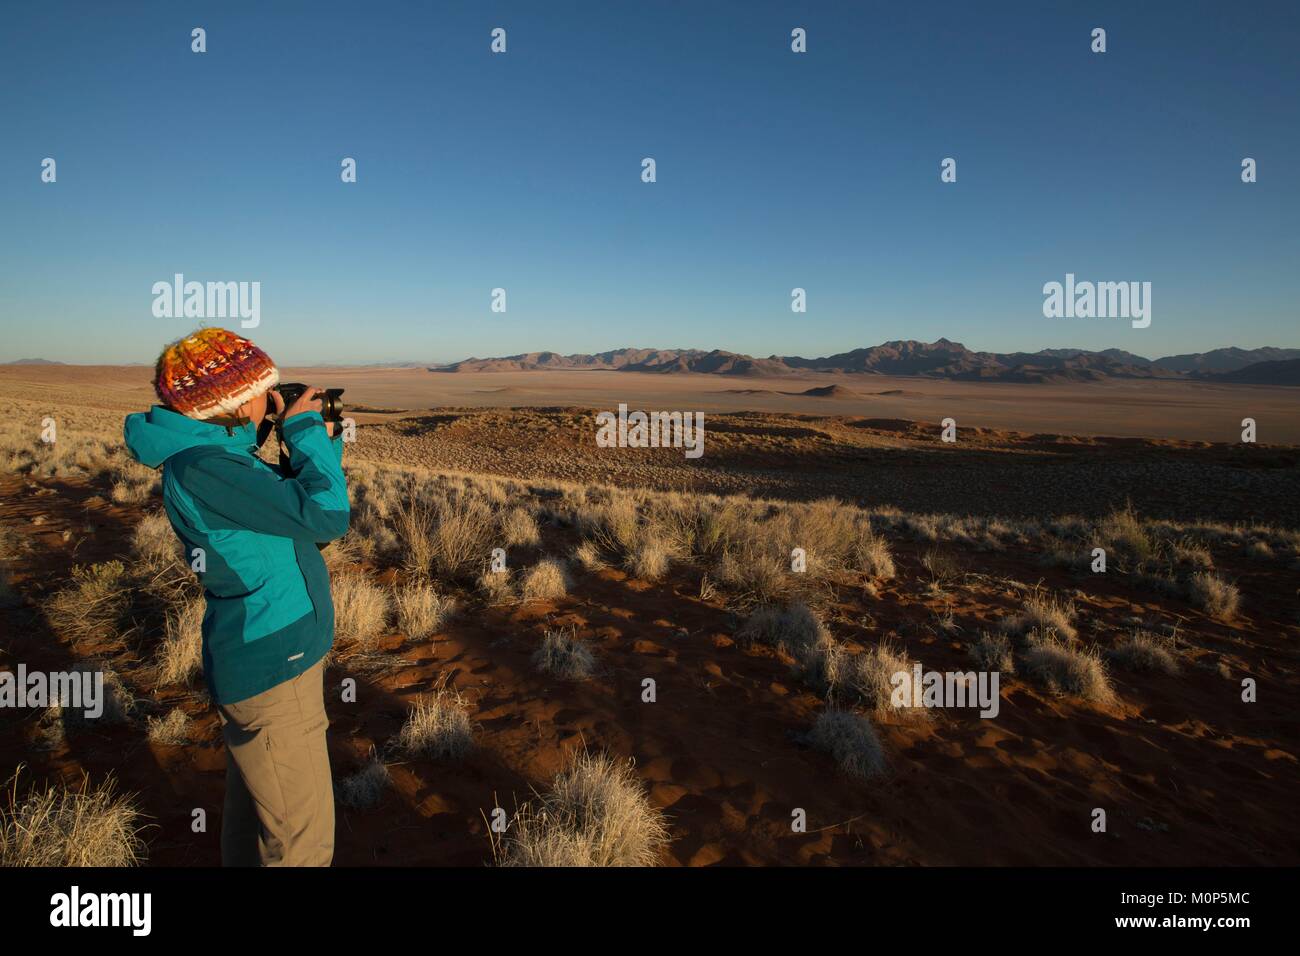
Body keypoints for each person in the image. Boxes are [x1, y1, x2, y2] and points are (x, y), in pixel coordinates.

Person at [123, 327, 349, 866]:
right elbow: (327, 517)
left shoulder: (217, 460)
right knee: (299, 843)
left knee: (257, 819)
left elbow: (296, 526)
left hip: (273, 656)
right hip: (274, 666)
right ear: (227, 401)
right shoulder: (207, 467)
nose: (269, 399)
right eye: (263, 389)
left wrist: (312, 442)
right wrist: (302, 429)